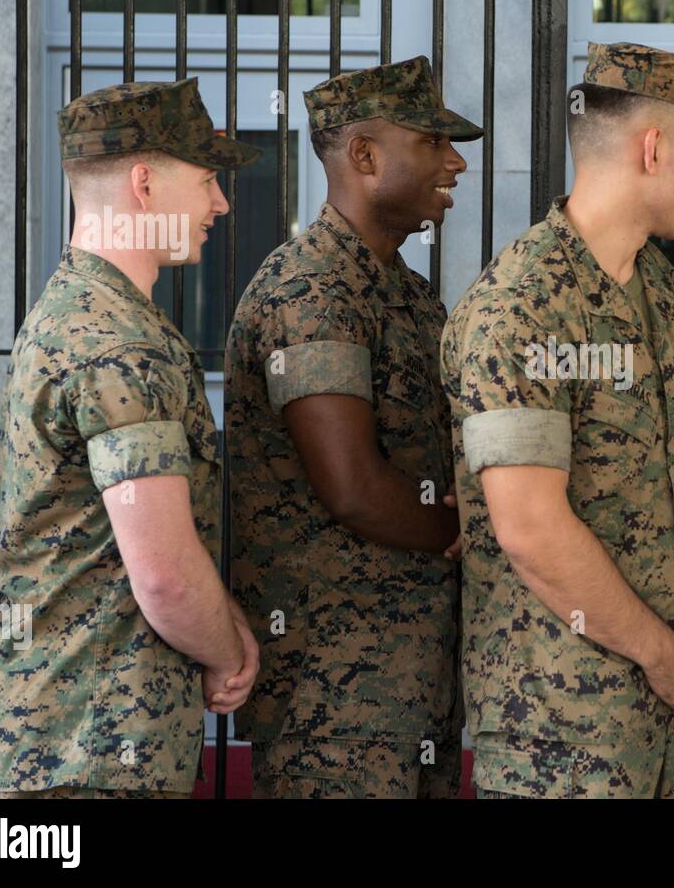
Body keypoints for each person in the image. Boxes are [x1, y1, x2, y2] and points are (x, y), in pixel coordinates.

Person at [441, 41, 674, 798]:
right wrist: (663, 654)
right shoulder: (519, 306)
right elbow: (531, 528)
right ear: (653, 147)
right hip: (565, 737)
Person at [0, 78, 262, 798]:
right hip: (93, 751)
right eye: (205, 179)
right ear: (143, 182)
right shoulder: (114, 342)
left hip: (63, 738)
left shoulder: (80, 312)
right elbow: (162, 570)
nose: (220, 203)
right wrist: (229, 652)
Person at [227, 56, 481, 798]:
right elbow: (355, 489)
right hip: (334, 703)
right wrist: (468, 527)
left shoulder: (409, 296)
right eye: (434, 142)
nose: (456, 161)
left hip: (411, 686)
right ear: (364, 156)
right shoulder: (310, 291)